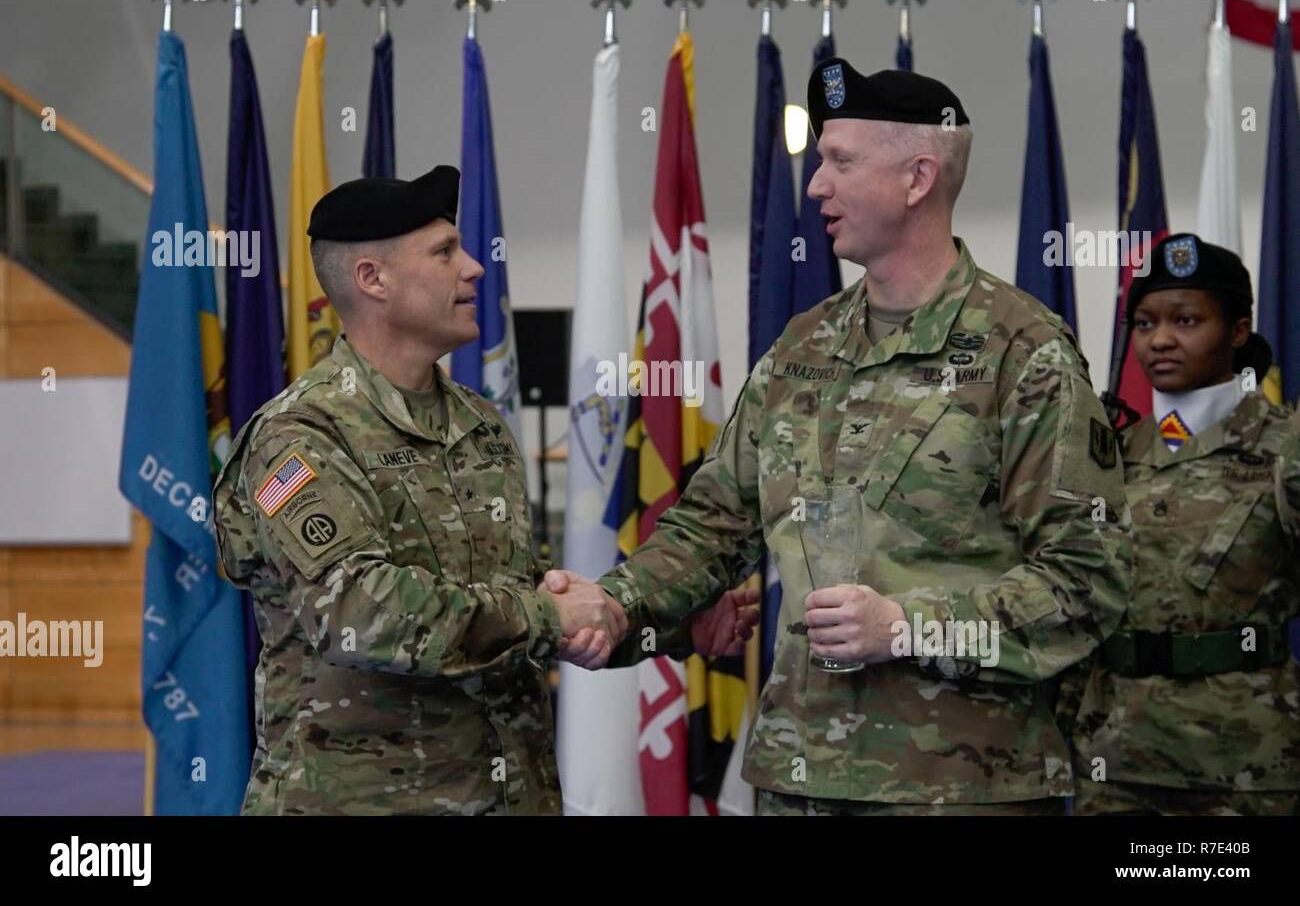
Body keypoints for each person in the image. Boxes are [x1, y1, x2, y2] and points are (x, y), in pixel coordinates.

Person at [550, 59, 1133, 815]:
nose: (817, 185)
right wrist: (613, 605)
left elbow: (1088, 579)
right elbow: (711, 526)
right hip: (800, 775)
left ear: (918, 177)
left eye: (839, 161)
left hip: (959, 787)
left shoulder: (1021, 352)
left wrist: (906, 626)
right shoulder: (803, 346)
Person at [214, 166, 753, 815]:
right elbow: (357, 611)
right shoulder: (299, 437)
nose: (473, 267)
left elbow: (516, 608)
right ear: (371, 279)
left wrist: (662, 629)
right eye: (444, 252)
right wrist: (552, 616)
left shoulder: (478, 426)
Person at [1063, 233, 1300, 815]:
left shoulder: (1284, 448)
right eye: (1144, 324)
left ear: (1238, 330)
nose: (1161, 340)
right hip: (1114, 759)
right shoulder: (1109, 455)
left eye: (1187, 320)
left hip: (1245, 763)